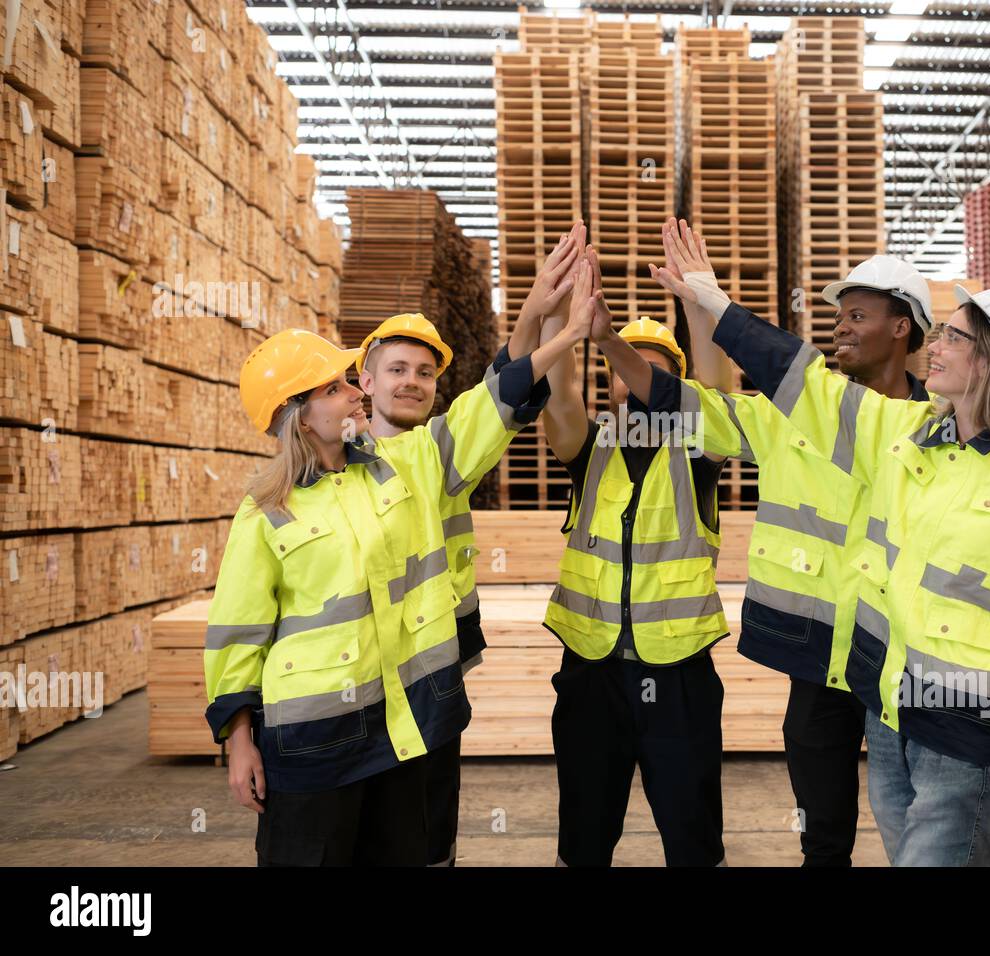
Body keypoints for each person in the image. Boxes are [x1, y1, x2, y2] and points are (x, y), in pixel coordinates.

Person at [650, 220, 990, 867]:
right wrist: (707, 306)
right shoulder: (910, 437)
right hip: (893, 717)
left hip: (967, 737)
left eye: (955, 336)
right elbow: (803, 383)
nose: (935, 344)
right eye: (939, 331)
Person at [204, 303, 588, 866]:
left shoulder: (406, 462)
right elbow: (237, 634)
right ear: (301, 415)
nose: (354, 394)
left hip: (398, 728)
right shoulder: (264, 513)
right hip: (310, 744)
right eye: (335, 388)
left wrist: (564, 333)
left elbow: (490, 404)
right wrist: (239, 743)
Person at [654, 219, 934, 866]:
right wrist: (680, 317)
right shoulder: (802, 412)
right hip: (819, 661)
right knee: (822, 840)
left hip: (901, 656)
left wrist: (717, 306)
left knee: (918, 827)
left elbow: (795, 374)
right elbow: (708, 409)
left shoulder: (929, 424)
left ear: (901, 328)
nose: (839, 325)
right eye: (838, 314)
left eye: (857, 314)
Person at [352, 229, 584, 865]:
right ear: (364, 381)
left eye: (425, 373)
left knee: (428, 840)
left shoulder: (439, 449)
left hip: (429, 679)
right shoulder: (329, 463)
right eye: (397, 370)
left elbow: (498, 394)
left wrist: (540, 312)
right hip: (352, 682)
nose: (413, 382)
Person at [534, 247, 731, 867]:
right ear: (611, 381)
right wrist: (562, 311)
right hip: (592, 672)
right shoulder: (585, 447)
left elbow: (719, 388)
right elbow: (557, 391)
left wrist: (700, 298)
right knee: (585, 832)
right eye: (627, 368)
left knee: (692, 832)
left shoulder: (699, 451)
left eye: (656, 372)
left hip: (678, 670)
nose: (637, 380)